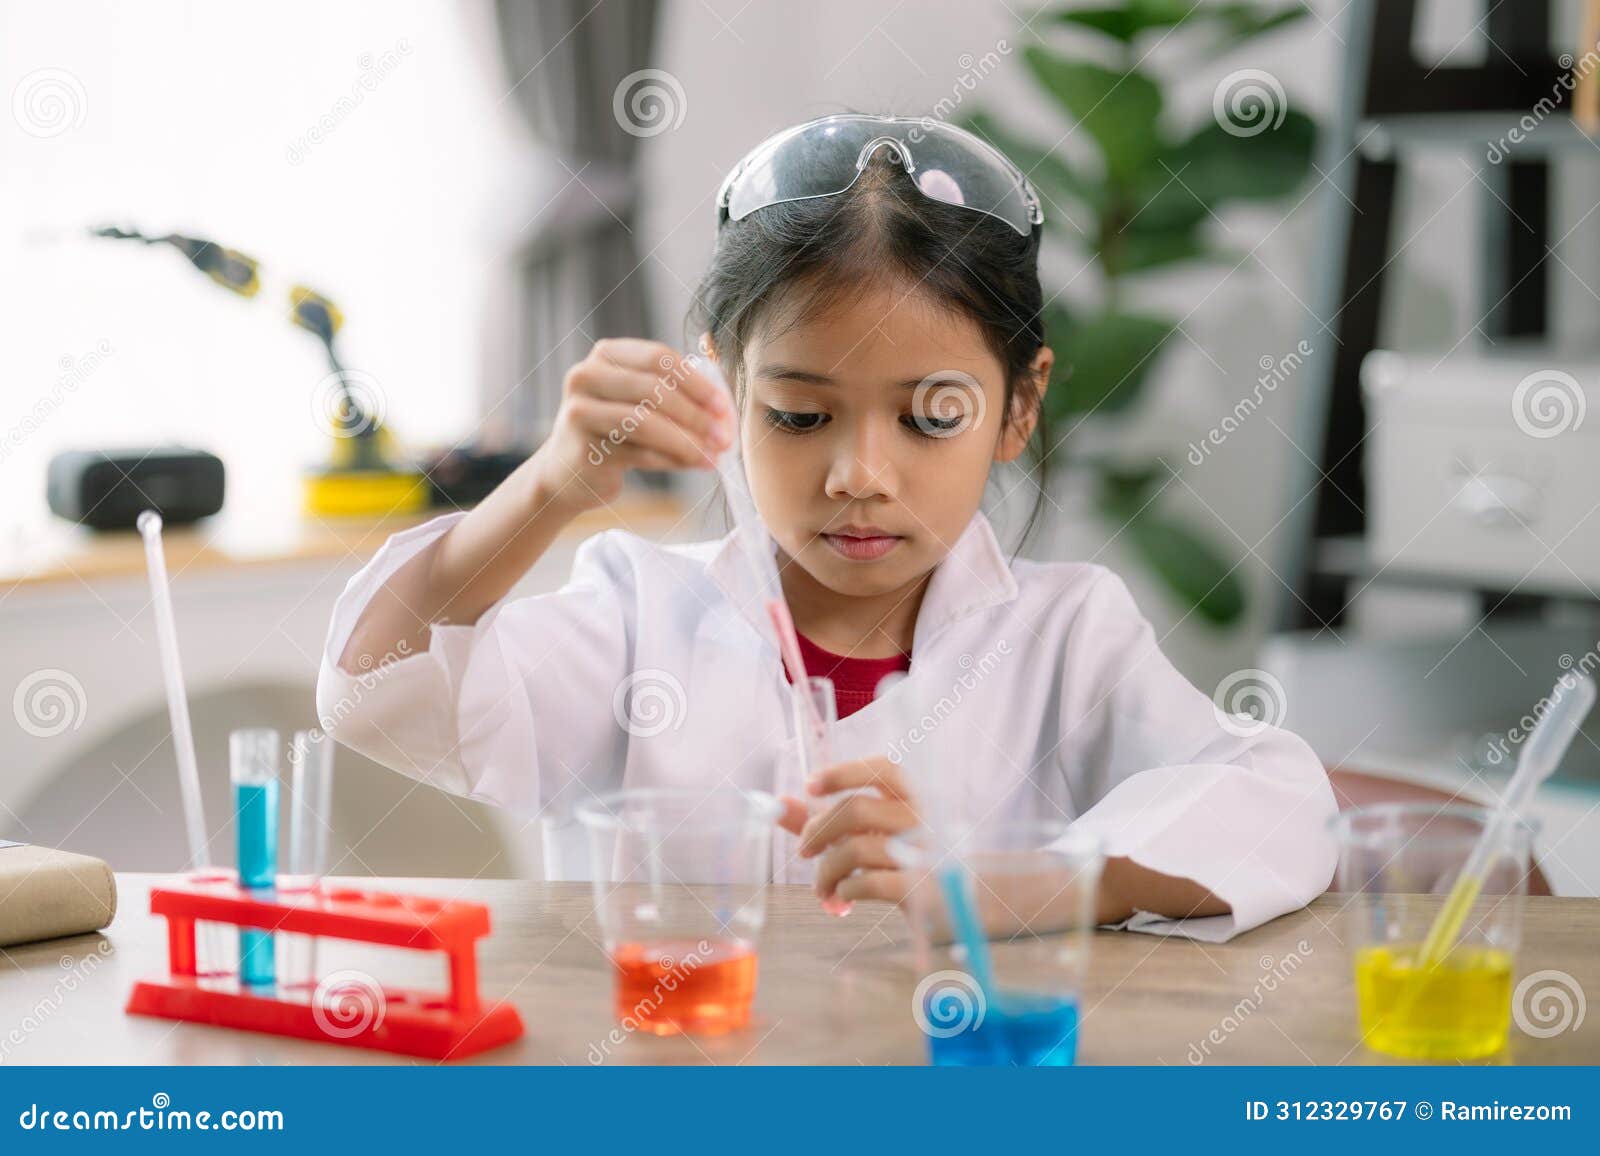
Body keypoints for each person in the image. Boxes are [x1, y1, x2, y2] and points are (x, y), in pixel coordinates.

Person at [317, 114, 1336, 942]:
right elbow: (371, 689)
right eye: (800, 416)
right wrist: (547, 487)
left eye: (931, 417)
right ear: (726, 386)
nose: (860, 476)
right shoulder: (636, 617)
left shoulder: (1066, 638)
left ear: (1019, 407)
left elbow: (1283, 803)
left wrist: (1006, 886)